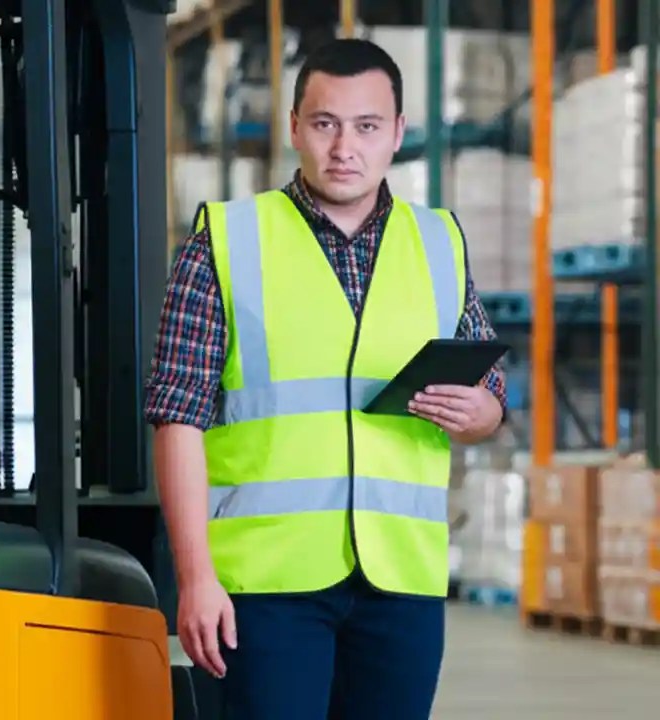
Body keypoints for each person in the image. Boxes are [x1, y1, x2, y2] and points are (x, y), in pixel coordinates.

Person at [146, 38, 507, 719]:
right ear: (294, 127)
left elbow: (491, 397)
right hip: (266, 582)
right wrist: (194, 578)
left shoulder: (440, 244)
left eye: (367, 126)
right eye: (324, 123)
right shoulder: (225, 241)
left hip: (401, 579)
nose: (345, 147)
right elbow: (178, 418)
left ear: (398, 133)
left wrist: (478, 413)